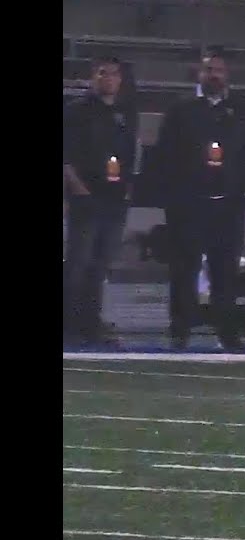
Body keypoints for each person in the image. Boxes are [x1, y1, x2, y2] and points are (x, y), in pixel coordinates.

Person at [149, 50, 245, 351]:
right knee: (184, 270)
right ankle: (180, 330)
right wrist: (173, 197)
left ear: (227, 75)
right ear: (198, 74)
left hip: (228, 206)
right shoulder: (181, 111)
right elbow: (165, 156)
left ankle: (227, 332)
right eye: (209, 69)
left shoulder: (241, 111)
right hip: (188, 205)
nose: (214, 75)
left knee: (225, 271)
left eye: (220, 70)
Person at [63, 56, 138, 345]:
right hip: (86, 196)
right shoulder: (76, 112)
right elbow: (67, 155)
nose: (108, 79)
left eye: (113, 74)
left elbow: (132, 154)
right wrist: (77, 187)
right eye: (102, 73)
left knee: (100, 265)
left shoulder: (126, 113)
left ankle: (90, 323)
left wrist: (129, 186)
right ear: (93, 77)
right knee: (79, 262)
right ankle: (70, 324)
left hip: (115, 198)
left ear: (120, 79)